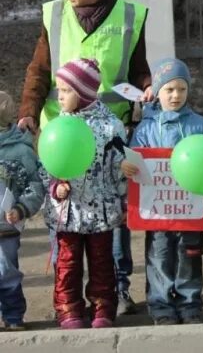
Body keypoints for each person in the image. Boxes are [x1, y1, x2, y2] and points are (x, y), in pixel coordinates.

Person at [18, 0, 151, 317]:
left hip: (109, 137)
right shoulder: (54, 14)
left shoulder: (129, 15)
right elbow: (39, 70)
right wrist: (28, 111)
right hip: (60, 137)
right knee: (63, 224)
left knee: (112, 223)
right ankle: (67, 302)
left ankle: (116, 293)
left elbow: (139, 69)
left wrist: (149, 84)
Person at [42, 58, 137, 329]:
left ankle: (103, 307)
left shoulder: (110, 126)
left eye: (66, 90)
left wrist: (123, 169)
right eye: (58, 90)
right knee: (67, 264)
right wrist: (55, 186)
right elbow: (47, 165)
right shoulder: (57, 126)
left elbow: (117, 160)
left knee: (102, 263)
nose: (59, 96)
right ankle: (68, 309)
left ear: (83, 93)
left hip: (100, 211)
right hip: (68, 211)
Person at [129, 58, 203, 325]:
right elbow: (135, 161)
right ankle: (162, 306)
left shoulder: (200, 125)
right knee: (159, 257)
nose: (176, 95)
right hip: (158, 212)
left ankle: (189, 305)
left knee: (190, 257)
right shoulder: (146, 128)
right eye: (169, 90)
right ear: (158, 91)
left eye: (182, 89)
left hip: (191, 209)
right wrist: (129, 167)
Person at [0, 92, 46, 331]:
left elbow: (35, 186)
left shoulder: (20, 150)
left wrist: (21, 208)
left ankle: (14, 315)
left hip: (7, 228)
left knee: (7, 271)